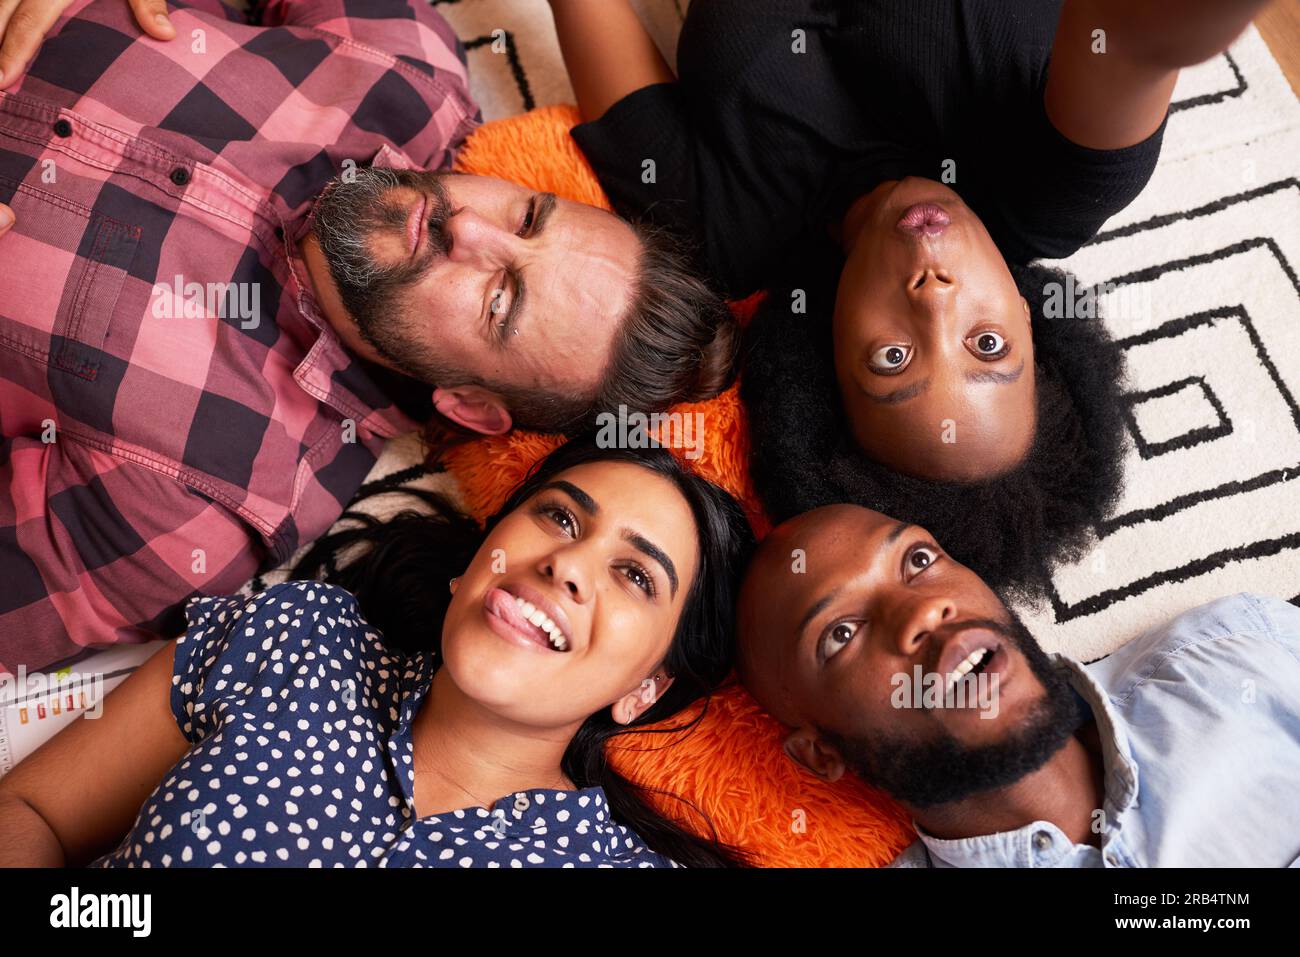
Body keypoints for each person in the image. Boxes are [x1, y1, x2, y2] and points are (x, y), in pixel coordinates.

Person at [0, 0, 737, 671]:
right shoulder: (409, 68)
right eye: (527, 218)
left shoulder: (209, 500)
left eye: (499, 298)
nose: (468, 227)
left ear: (471, 405)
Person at [549, 0, 1269, 593]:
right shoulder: (1057, 184)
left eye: (894, 358)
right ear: (1030, 321)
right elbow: (1141, 38)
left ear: (831, 360)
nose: (935, 298)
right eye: (987, 345)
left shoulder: (719, 231)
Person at [0, 435, 756, 867]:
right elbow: (33, 810)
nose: (567, 564)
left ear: (644, 689)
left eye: (634, 574)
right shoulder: (301, 638)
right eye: (558, 516)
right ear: (476, 561)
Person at [735, 504, 1300, 867]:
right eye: (840, 634)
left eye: (919, 559)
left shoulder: (1236, 656)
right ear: (820, 752)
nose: (921, 613)